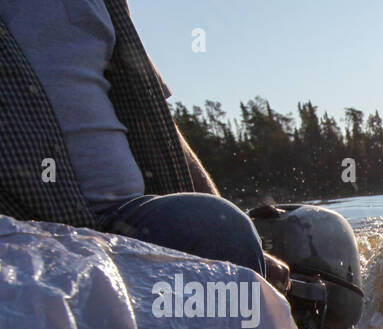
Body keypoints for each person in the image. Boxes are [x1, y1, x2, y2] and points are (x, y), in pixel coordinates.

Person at [0, 0, 289, 289]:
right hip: (21, 235)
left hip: (126, 219)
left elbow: (159, 126)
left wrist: (243, 237)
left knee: (220, 226)